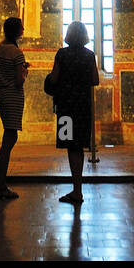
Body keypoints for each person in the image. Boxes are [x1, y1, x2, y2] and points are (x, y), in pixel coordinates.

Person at [46, 21, 99, 206]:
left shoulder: (62, 54)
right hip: (83, 107)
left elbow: (54, 78)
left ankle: (76, 191)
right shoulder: (90, 55)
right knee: (80, 145)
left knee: (70, 145)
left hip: (66, 106)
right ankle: (78, 189)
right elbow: (95, 79)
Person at [0, 16, 28, 199]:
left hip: (2, 96)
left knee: (8, 139)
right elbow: (19, 80)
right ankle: (0, 185)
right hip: (13, 97)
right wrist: (24, 71)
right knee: (8, 141)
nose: (24, 30)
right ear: (16, 31)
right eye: (21, 27)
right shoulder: (16, 53)